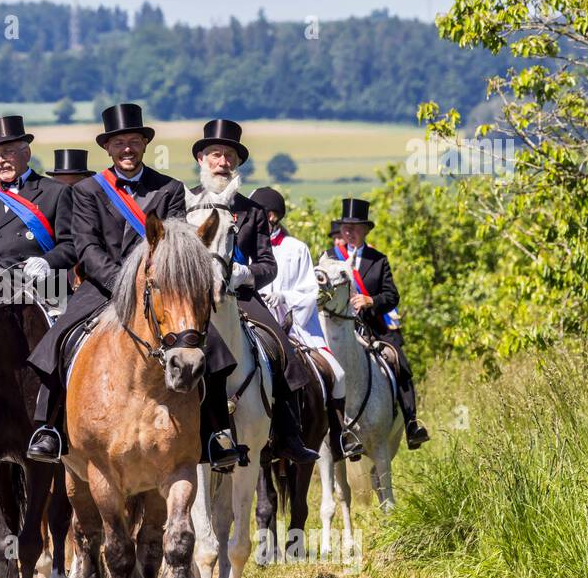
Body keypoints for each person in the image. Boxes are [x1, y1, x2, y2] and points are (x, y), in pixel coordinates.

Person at [25, 103, 241, 469]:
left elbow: (179, 241)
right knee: (57, 341)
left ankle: (218, 433)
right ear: (108, 148)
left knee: (213, 349)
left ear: (144, 144)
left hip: (161, 285)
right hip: (103, 285)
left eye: (134, 141)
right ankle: (49, 427)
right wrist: (120, 283)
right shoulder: (88, 191)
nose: (127, 149)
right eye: (120, 142)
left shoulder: (169, 189)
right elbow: (86, 247)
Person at [183, 120, 320, 465]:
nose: (222, 162)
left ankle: (288, 434)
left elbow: (267, 265)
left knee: (281, 346)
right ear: (202, 159)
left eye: (229, 156)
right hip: (193, 298)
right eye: (215, 154)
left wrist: (245, 274)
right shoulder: (184, 205)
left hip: (240, 296)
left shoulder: (253, 212)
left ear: (237, 164)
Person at [250, 187, 362, 459]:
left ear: (273, 216)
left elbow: (309, 291)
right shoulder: (246, 247)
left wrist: (283, 297)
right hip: (255, 324)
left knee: (339, 373)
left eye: (260, 214)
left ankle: (340, 438)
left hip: (296, 327)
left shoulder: (296, 248)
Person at [332, 198, 430, 449]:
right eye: (345, 227)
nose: (349, 232)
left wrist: (370, 300)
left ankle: (411, 423)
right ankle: (331, 431)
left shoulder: (378, 260)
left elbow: (392, 296)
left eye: (355, 227)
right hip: (338, 330)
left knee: (400, 362)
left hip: (373, 329)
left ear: (365, 230)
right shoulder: (329, 258)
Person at [0, 116, 76, 297]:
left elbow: (71, 244)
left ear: (27, 153)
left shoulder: (55, 192)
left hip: (43, 291)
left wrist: (48, 262)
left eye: (7, 152)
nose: (0, 160)